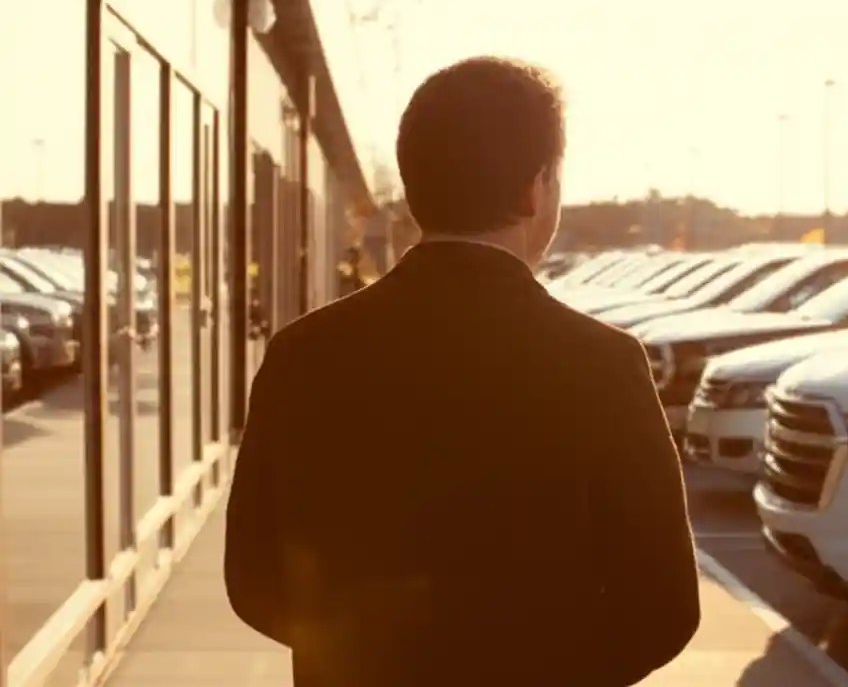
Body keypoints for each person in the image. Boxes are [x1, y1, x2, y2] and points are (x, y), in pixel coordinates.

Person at [224, 56, 701, 686]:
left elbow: (254, 578)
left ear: (415, 183)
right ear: (537, 187)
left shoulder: (302, 354)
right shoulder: (602, 364)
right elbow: (664, 607)